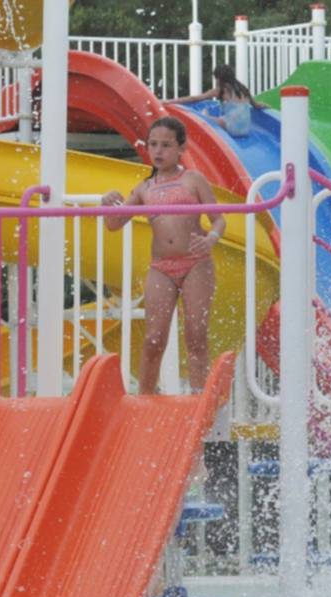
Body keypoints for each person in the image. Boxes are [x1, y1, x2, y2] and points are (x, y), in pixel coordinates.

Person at [101, 117, 225, 394]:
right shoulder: (145, 189)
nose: (158, 151)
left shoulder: (193, 180)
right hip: (161, 267)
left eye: (166, 145)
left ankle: (197, 395)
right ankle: (146, 395)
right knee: (154, 338)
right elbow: (113, 225)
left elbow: (219, 220)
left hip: (195, 264)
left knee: (196, 335)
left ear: (181, 148)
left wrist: (211, 239)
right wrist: (107, 203)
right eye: (153, 144)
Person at [165, 65, 260, 137]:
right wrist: (264, 106)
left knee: (203, 114)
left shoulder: (221, 90)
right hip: (245, 129)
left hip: (232, 129)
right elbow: (256, 105)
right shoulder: (244, 89)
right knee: (227, 116)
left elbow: (194, 98)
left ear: (219, 79)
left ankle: (204, 116)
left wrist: (169, 101)